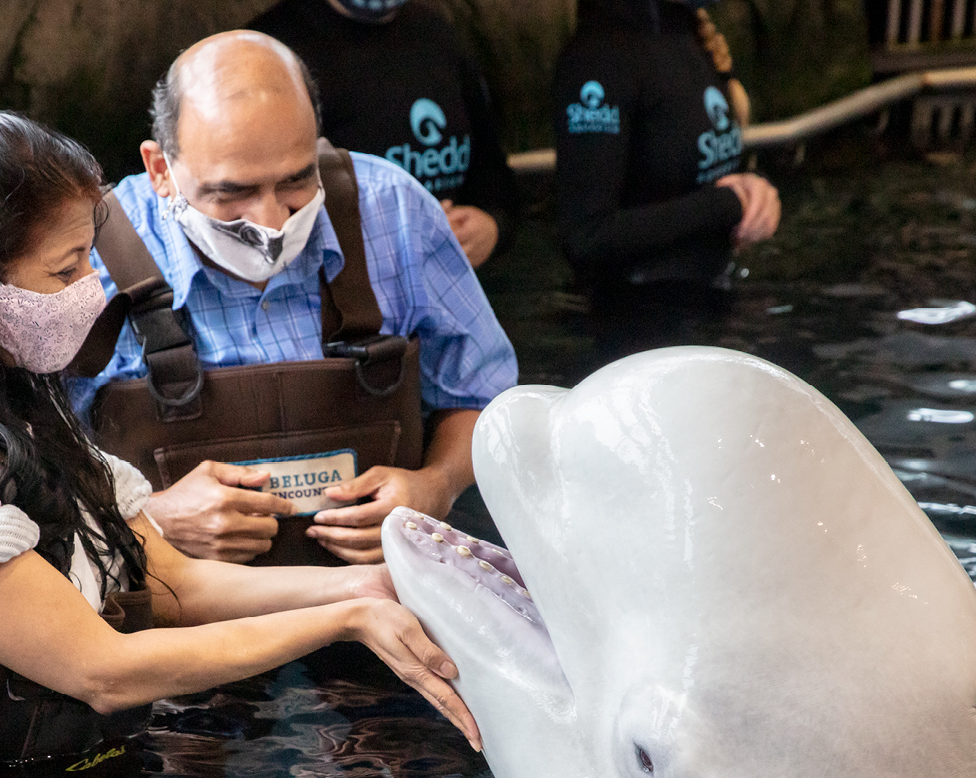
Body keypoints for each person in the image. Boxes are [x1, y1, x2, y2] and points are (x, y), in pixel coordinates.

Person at [0, 110, 478, 778]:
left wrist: (369, 586)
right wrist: (344, 621)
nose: (91, 288)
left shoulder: (7, 396)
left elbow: (172, 583)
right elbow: (102, 668)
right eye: (66, 269)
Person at [69, 31, 517, 567]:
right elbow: (19, 462)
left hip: (380, 586)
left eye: (296, 181)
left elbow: (483, 392)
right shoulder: (86, 255)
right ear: (161, 169)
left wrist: (435, 485)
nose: (271, 222)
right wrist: (148, 518)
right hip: (188, 619)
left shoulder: (393, 210)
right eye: (231, 193)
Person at [553, 0, 780, 359]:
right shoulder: (600, 56)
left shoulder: (685, 33)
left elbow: (691, 177)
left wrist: (754, 193)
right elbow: (586, 235)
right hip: (636, 330)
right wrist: (726, 205)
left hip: (710, 303)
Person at [247, 0, 518, 267]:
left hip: (445, 287)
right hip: (335, 293)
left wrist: (491, 227)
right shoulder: (268, 51)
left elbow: (491, 170)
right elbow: (249, 204)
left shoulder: (438, 34)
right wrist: (385, 240)